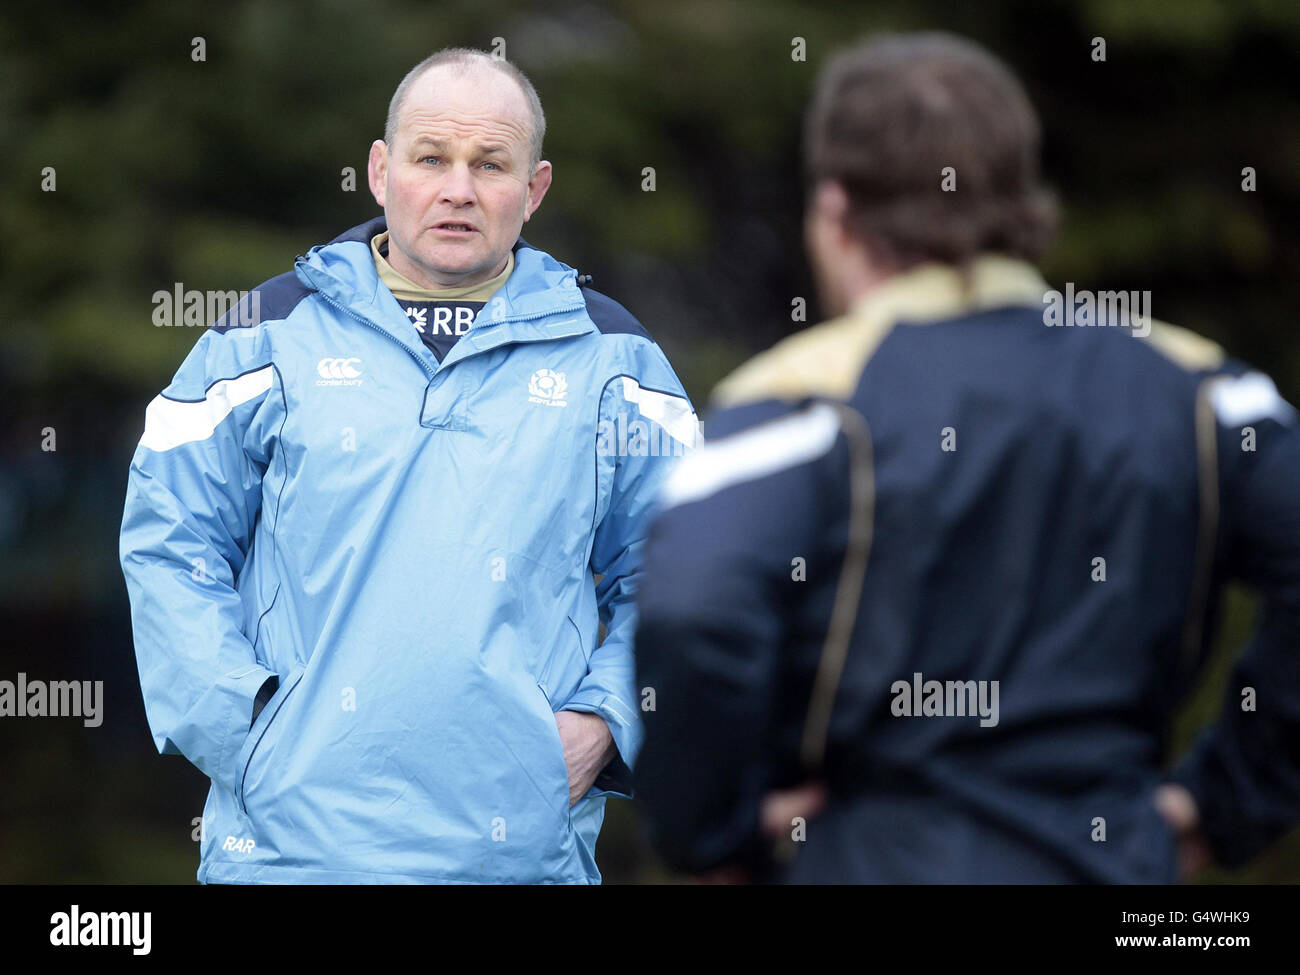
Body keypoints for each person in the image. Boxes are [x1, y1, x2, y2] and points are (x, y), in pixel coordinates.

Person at [633, 32, 1300, 883]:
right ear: (1022, 201)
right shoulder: (1203, 387)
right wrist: (1227, 801)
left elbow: (695, 608)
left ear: (835, 213)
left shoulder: (798, 403)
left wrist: (712, 834)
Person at [119, 47, 697, 884]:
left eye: (490, 164)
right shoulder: (260, 337)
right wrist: (252, 736)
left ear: (533, 191)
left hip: (518, 859)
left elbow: (683, 573)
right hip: (290, 857)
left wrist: (606, 724)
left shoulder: (616, 358)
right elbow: (170, 547)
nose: (458, 189)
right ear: (381, 172)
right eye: (432, 158)